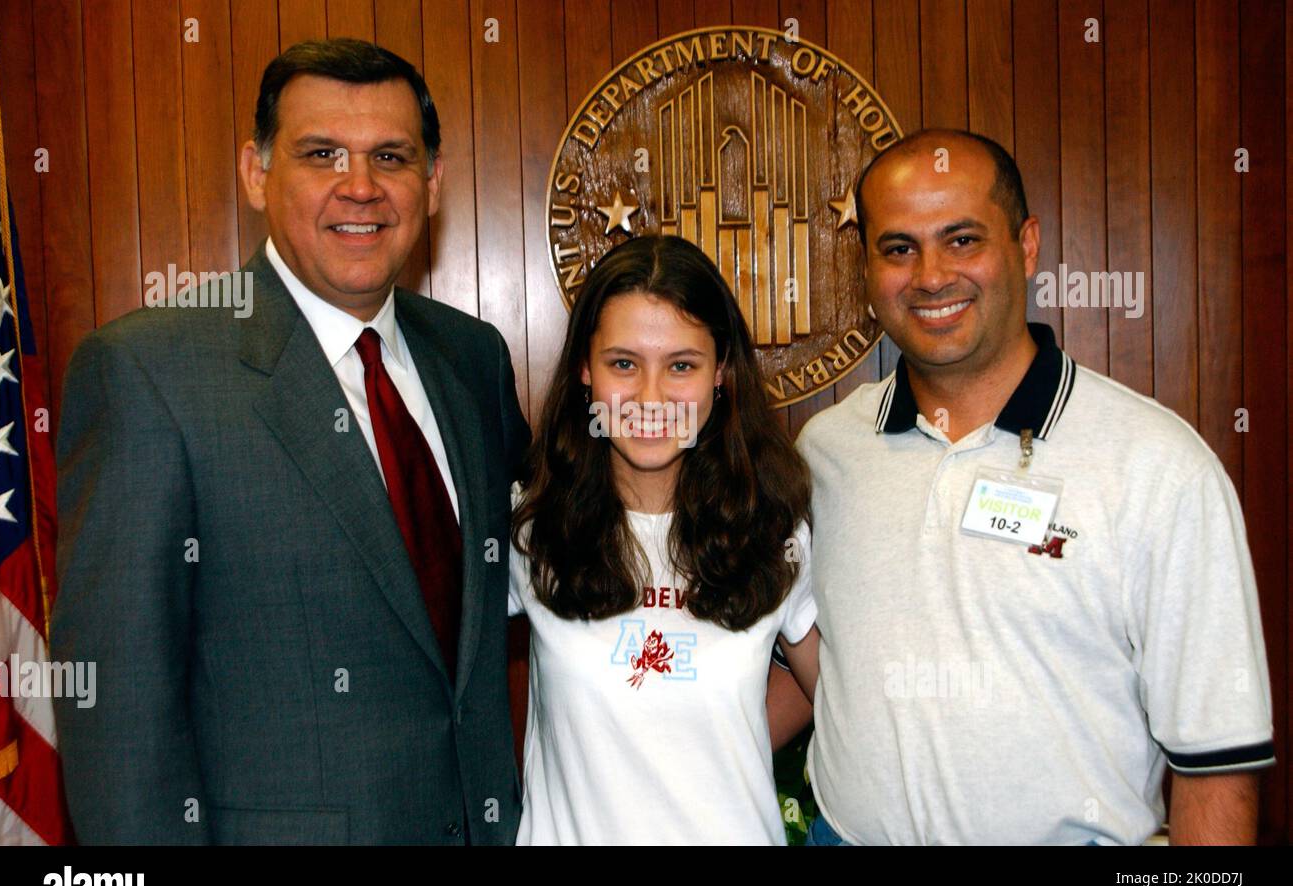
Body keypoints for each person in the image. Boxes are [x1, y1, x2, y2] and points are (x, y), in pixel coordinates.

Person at [51, 39, 529, 844]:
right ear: (255, 172)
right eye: (322, 154)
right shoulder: (148, 374)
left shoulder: (473, 360)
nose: (361, 186)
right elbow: (118, 718)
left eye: (391, 156)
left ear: (433, 181)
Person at [791, 128, 1274, 845]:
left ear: (1025, 245)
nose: (930, 276)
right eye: (898, 248)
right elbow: (798, 656)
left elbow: (1217, 767)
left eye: (962, 240)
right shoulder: (825, 454)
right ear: (864, 267)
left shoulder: (1159, 467)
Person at [509, 235, 818, 844]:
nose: (651, 399)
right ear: (583, 369)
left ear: (721, 372)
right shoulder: (529, 528)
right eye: (623, 363)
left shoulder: (775, 533)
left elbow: (839, 696)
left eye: (682, 365)